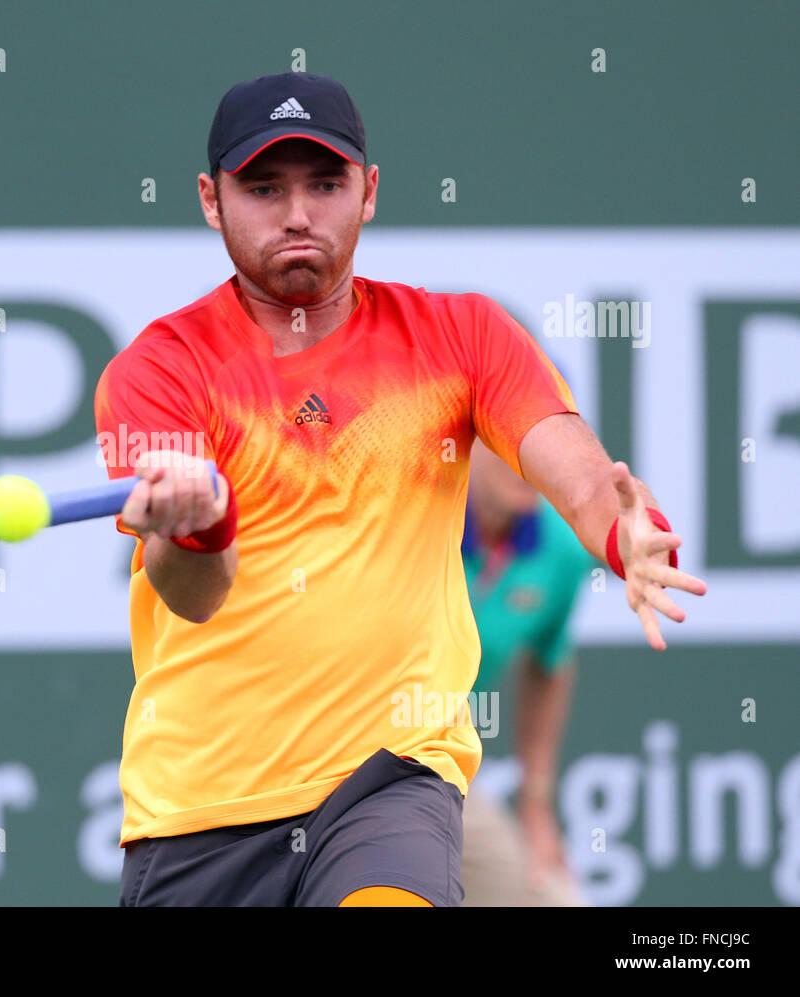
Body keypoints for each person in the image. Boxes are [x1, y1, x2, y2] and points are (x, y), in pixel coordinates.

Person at [92, 71, 706, 907]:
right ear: (211, 199)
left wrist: (623, 530)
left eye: (326, 184)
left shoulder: (464, 336)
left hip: (389, 779)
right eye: (265, 188)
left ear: (369, 192)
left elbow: (574, 465)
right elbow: (192, 593)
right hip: (201, 808)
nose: (299, 212)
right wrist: (199, 526)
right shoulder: (157, 371)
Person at [460, 436, 594, 906]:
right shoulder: (408, 516)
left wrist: (536, 805)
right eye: (510, 441)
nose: (529, 466)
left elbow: (549, 663)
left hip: (434, 769)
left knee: (553, 900)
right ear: (468, 441)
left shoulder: (561, 550)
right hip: (328, 752)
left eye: (545, 449)